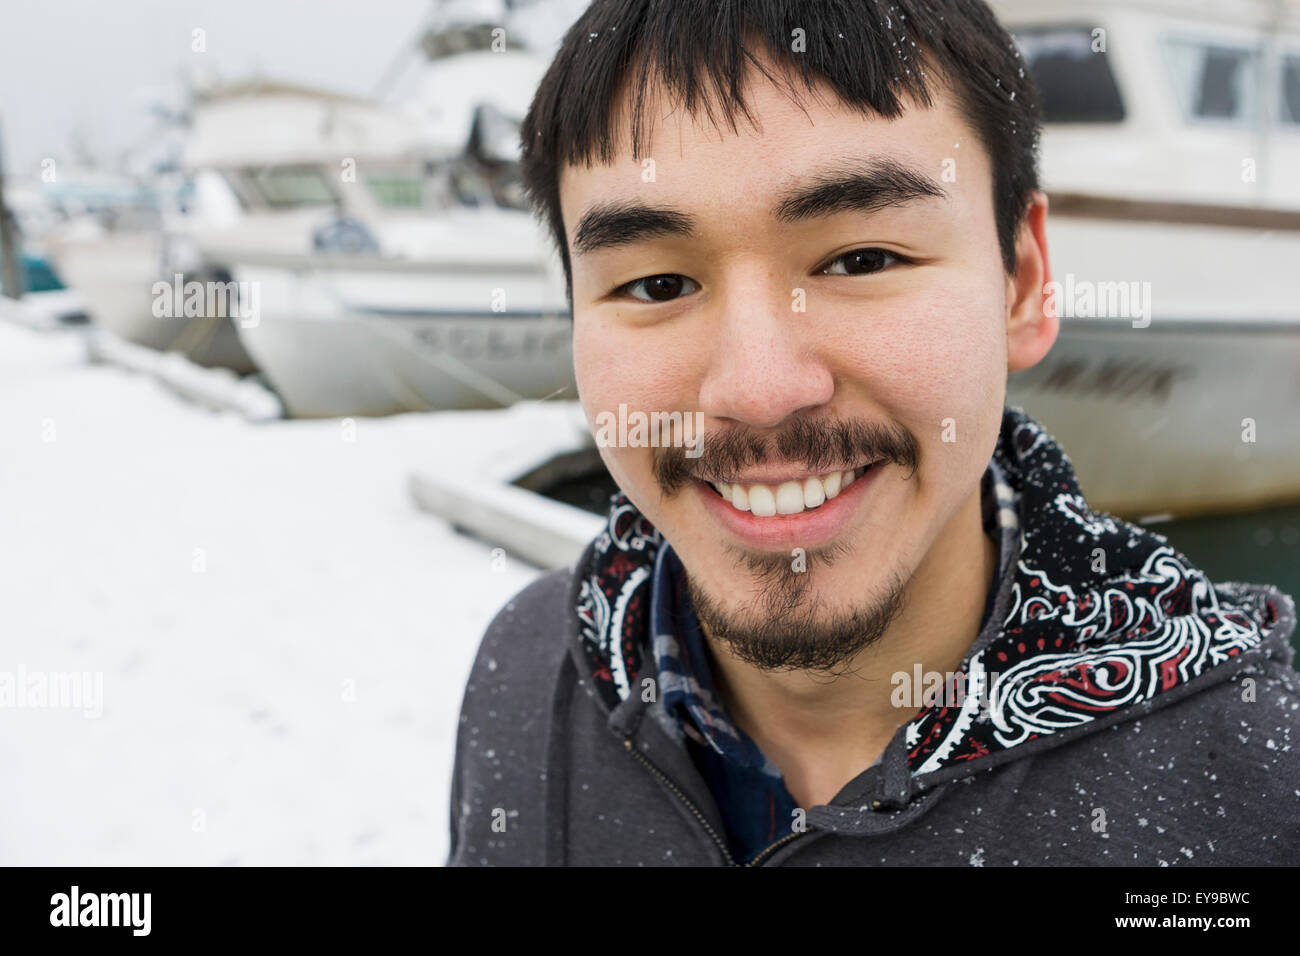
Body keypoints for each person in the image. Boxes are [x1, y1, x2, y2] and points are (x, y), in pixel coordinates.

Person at [446, 0, 1299, 866]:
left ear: (1023, 283)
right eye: (658, 285)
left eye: (862, 260)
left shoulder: (1257, 788)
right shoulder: (529, 670)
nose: (760, 390)